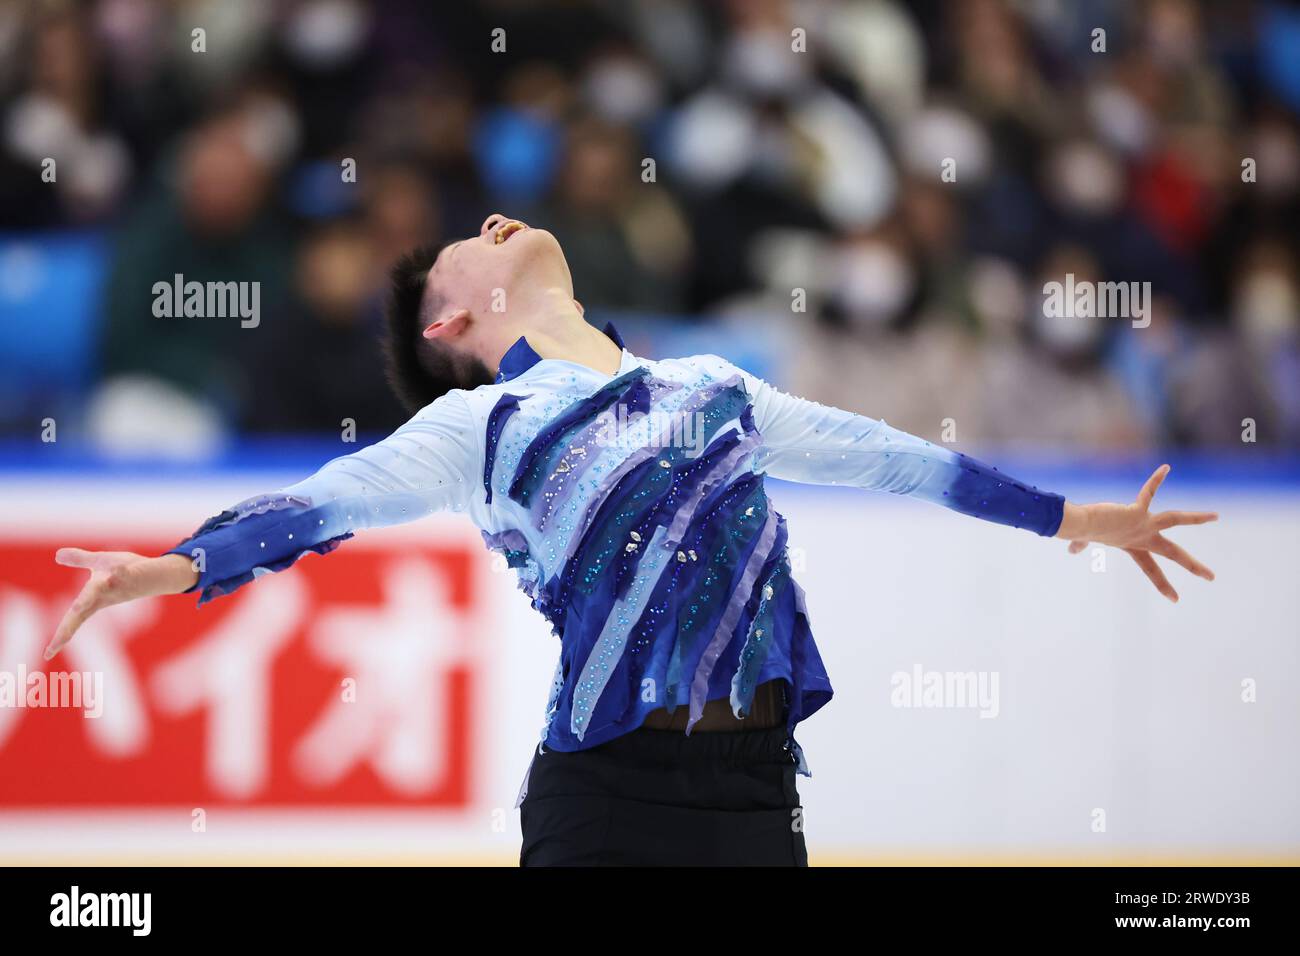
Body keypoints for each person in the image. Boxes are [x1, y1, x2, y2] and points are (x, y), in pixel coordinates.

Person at [48, 213, 1218, 866]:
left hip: (760, 794)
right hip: (608, 800)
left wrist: (1074, 518)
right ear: (450, 320)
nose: (493, 222)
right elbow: (316, 508)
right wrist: (172, 564)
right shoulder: (476, 424)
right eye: (466, 243)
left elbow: (903, 460)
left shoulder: (717, 386)